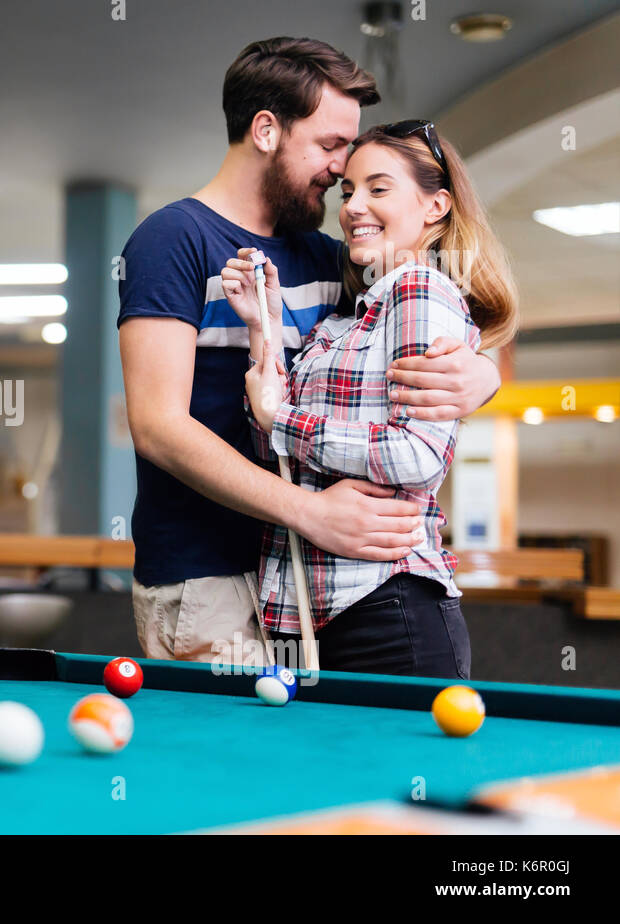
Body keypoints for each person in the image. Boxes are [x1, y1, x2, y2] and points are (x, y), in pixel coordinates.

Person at [117, 37, 503, 667]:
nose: (337, 172)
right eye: (328, 147)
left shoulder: (329, 257)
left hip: (313, 585)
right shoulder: (172, 239)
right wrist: (309, 513)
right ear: (266, 130)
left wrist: (482, 375)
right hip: (210, 577)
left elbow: (438, 315)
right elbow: (158, 427)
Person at [221, 119, 517, 677]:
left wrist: (280, 417)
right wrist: (263, 331)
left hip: (389, 611)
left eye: (379, 189)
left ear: (436, 206)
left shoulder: (420, 288)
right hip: (314, 617)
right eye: (349, 190)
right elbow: (277, 457)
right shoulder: (346, 319)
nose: (355, 205)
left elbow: (417, 456)